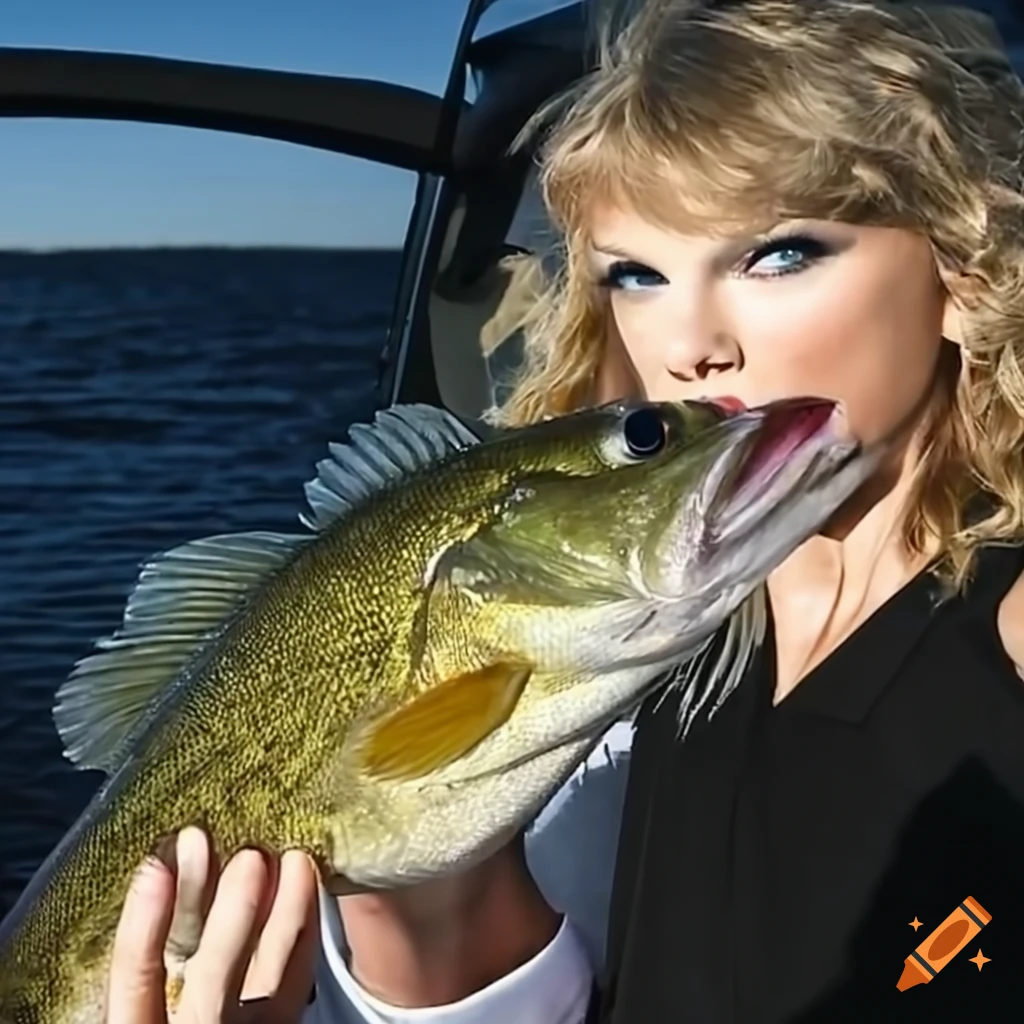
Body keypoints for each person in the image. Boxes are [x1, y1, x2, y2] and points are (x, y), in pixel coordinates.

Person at [103, 1, 1024, 1021]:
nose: (691, 343)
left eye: (778, 254)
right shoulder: (635, 657)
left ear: (963, 270)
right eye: (636, 274)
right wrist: (416, 907)